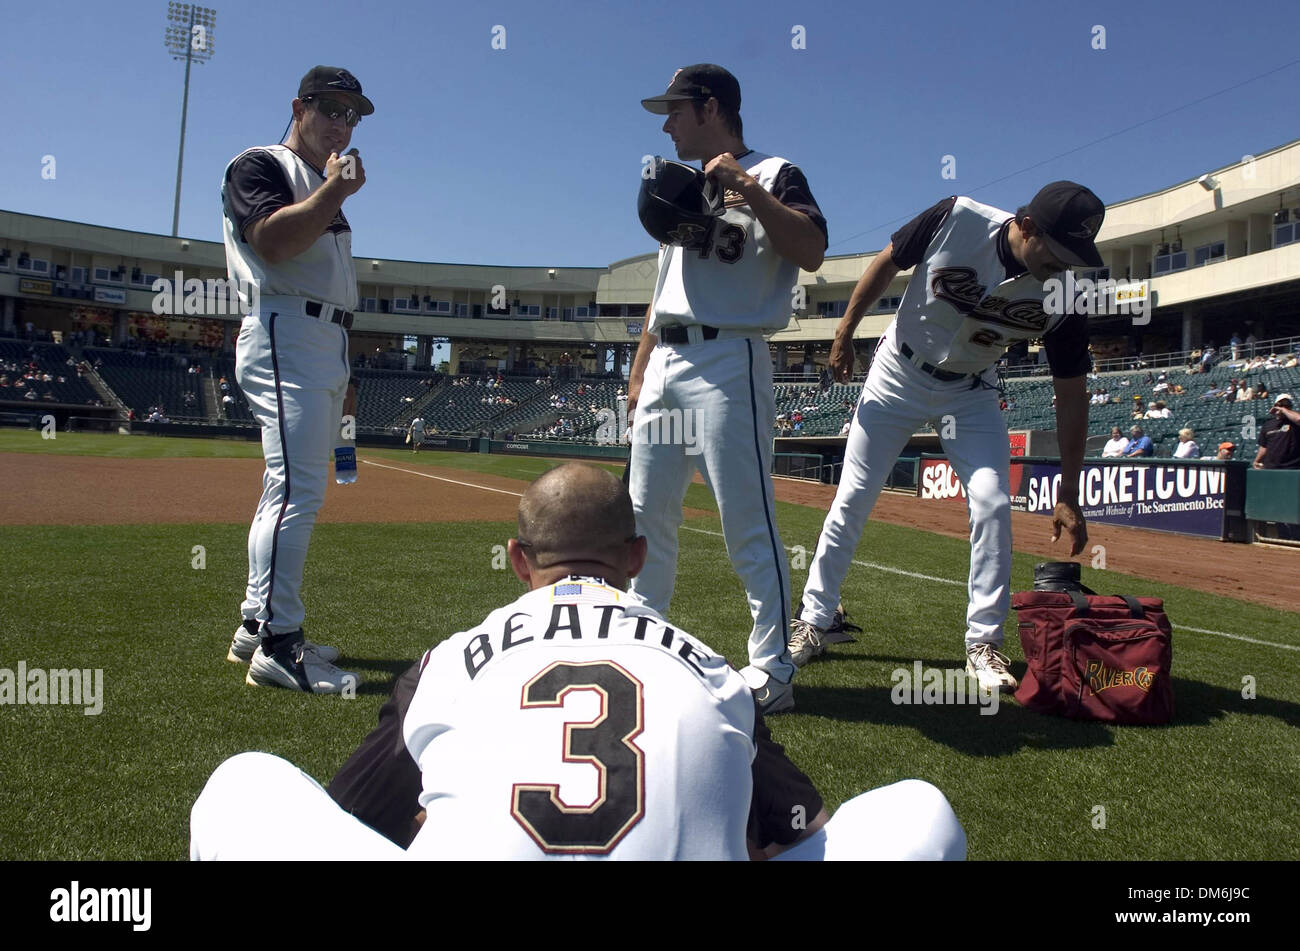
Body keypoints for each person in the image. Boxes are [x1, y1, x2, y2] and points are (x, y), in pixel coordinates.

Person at [190, 465, 966, 861]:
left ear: (518, 560)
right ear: (635, 557)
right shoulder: (713, 671)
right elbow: (805, 829)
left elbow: (356, 817)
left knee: (239, 784)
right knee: (925, 813)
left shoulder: (445, 663)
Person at [785, 182, 1097, 691]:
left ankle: (984, 643)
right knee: (854, 497)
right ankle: (815, 619)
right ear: (1030, 227)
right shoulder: (959, 216)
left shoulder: (1066, 293)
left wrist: (1067, 493)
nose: (1066, 268)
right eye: (1061, 253)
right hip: (897, 374)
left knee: (994, 504)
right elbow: (887, 261)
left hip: (971, 391)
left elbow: (1071, 392)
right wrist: (843, 334)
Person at [627, 64, 828, 714]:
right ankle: (638, 644)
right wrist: (638, 372)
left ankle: (772, 669)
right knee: (644, 515)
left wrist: (747, 187)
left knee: (747, 519)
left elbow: (813, 248)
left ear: (710, 107)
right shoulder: (680, 187)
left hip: (730, 356)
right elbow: (663, 294)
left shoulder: (776, 172)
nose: (665, 123)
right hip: (669, 359)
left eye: (675, 109)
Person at [221, 65, 374, 693]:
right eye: (331, 108)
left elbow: (331, 284)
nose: (342, 123)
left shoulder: (320, 182)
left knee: (282, 490)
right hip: (284, 327)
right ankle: (281, 648)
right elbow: (273, 244)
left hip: (322, 339)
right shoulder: (259, 164)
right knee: (296, 494)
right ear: (299, 106)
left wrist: (345, 368)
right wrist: (334, 193)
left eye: (352, 115)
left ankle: (256, 626)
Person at [1254, 395, 1300, 470]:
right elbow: (1264, 446)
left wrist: (1283, 409)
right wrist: (1257, 460)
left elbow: (1298, 419)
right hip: (1271, 467)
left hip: (1292, 468)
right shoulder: (1268, 424)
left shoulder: (1294, 421)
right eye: (1279, 405)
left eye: (1285, 405)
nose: (1282, 407)